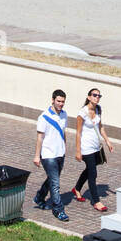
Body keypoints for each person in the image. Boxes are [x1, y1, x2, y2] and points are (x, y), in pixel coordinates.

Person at [71, 88, 114, 212]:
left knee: (90, 169)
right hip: (86, 148)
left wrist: (107, 141)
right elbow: (78, 133)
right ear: (89, 97)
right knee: (93, 174)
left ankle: (77, 188)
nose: (97, 97)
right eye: (94, 95)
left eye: (99, 95)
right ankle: (96, 201)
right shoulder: (82, 113)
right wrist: (78, 151)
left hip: (96, 147)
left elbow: (100, 127)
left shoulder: (98, 109)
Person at [32, 89, 70, 221]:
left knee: (52, 180)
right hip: (48, 155)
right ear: (53, 100)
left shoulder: (64, 115)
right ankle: (58, 210)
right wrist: (37, 156)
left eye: (63, 102)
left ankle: (39, 197)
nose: (61, 104)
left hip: (60, 153)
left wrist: (64, 147)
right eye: (58, 101)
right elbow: (39, 138)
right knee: (55, 183)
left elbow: (63, 132)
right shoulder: (44, 117)